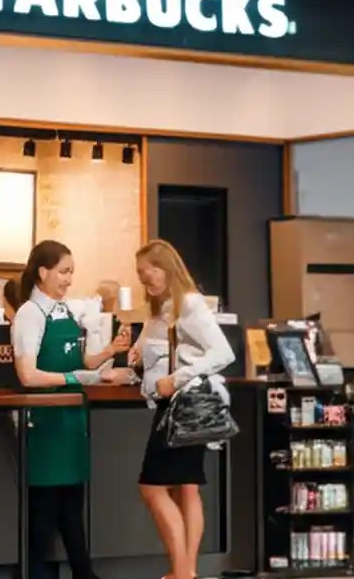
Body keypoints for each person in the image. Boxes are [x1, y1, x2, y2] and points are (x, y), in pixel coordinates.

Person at [11, 240, 133, 579]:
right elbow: (27, 374)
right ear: (43, 272)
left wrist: (109, 352)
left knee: (71, 509)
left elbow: (80, 360)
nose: (68, 280)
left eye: (71, 273)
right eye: (64, 272)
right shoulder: (29, 315)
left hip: (71, 421)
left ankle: (84, 573)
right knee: (45, 514)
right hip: (46, 424)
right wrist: (76, 377)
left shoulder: (64, 311)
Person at [127, 239, 236, 579]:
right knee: (186, 486)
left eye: (150, 273)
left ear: (166, 268)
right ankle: (184, 572)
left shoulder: (188, 304)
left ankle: (184, 572)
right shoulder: (162, 309)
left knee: (153, 487)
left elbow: (223, 352)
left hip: (183, 405)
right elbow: (149, 353)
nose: (147, 281)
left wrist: (177, 377)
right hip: (178, 405)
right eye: (141, 276)